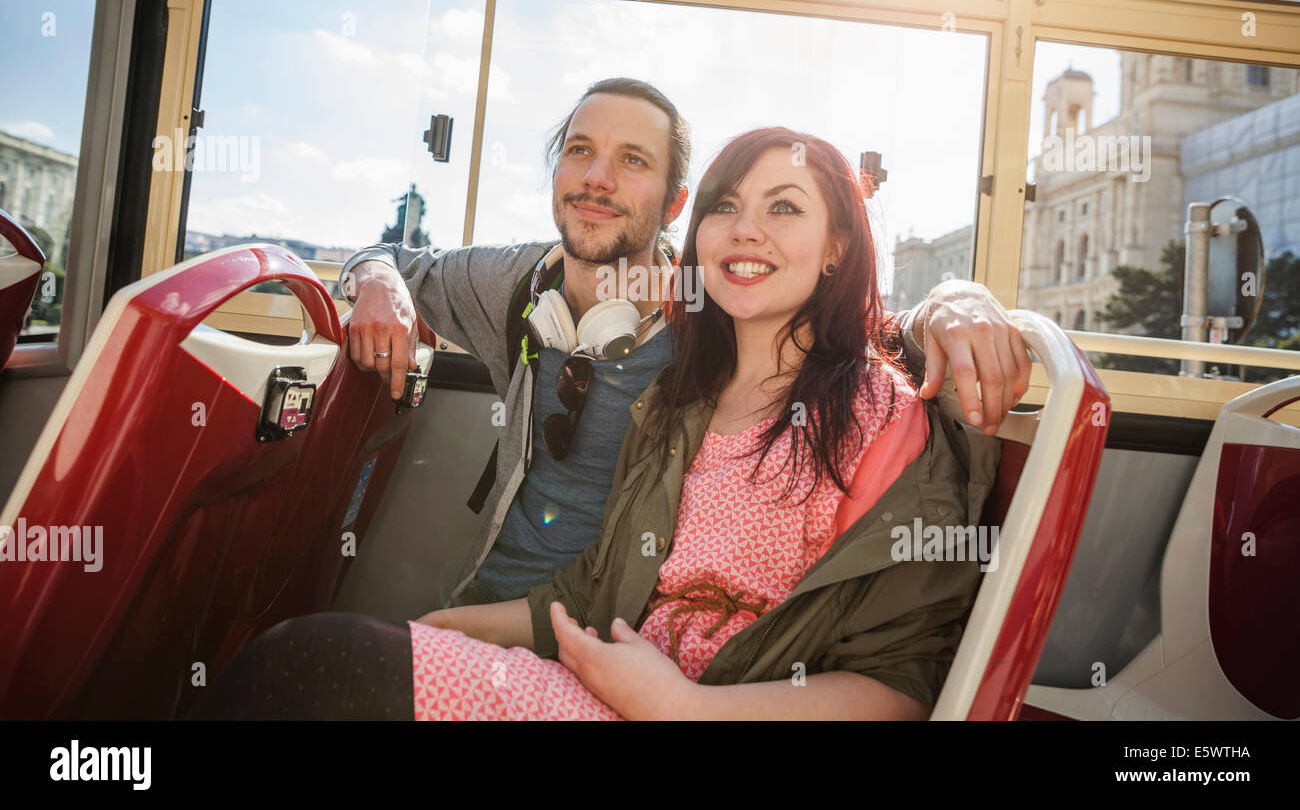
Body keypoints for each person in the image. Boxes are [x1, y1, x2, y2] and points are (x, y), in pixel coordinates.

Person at [184, 127, 1000, 720]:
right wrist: (446, 629)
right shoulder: (683, 400)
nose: (746, 229)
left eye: (784, 208)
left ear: (835, 249)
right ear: (700, 236)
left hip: (684, 707)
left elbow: (900, 684)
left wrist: (680, 707)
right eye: (728, 208)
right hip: (603, 675)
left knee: (305, 671)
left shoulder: (884, 415)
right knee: (318, 655)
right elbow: (597, 588)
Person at [337, 77, 1031, 611]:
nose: (597, 178)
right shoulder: (516, 282)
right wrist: (376, 283)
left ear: (675, 205)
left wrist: (952, 301)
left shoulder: (719, 309)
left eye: (632, 160)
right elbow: (388, 257)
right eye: (580, 151)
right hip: (490, 601)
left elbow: (856, 332)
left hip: (622, 629)